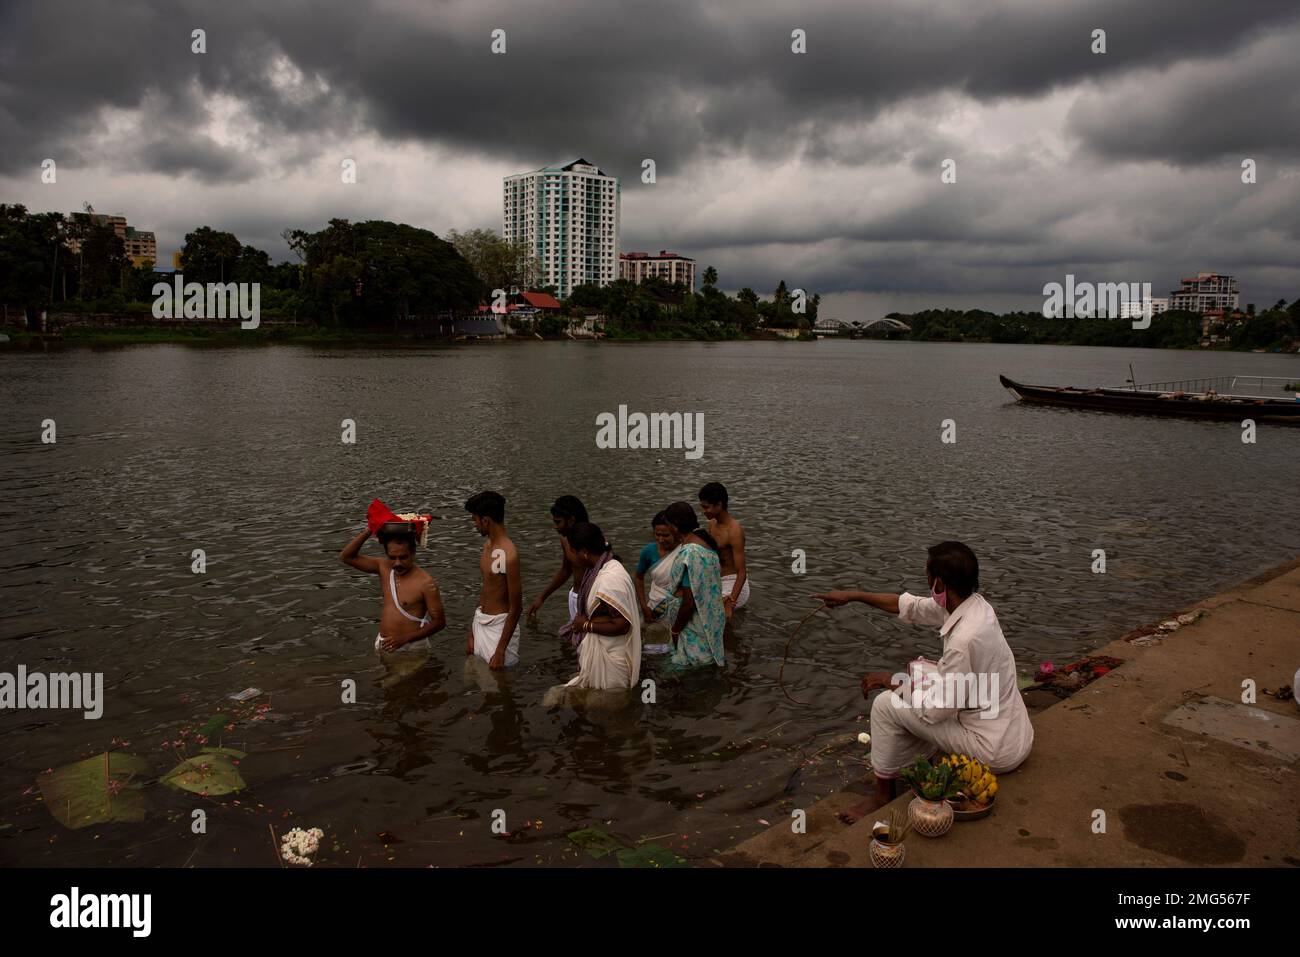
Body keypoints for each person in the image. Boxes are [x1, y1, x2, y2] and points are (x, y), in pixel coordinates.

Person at [814, 541, 1034, 823]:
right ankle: (921, 757)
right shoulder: (975, 607)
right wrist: (853, 595)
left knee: (885, 704)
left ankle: (883, 796)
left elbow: (934, 711)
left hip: (992, 750)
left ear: (939, 584)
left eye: (928, 578)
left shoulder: (963, 641)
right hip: (1014, 734)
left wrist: (891, 681)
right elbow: (909, 606)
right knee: (923, 674)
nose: (926, 584)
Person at [556, 522, 641, 691]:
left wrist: (585, 625)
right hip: (606, 651)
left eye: (574, 552)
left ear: (585, 552)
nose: (573, 558)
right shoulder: (605, 568)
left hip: (612, 658)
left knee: (609, 708)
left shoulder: (609, 580)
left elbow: (623, 625)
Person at [339, 521, 446, 655]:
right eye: (392, 557)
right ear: (386, 555)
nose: (397, 563)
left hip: (411, 647)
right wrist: (369, 530)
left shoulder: (426, 583)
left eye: (403, 557)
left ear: (413, 553)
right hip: (385, 643)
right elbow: (346, 557)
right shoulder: (383, 567)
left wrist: (404, 639)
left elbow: (439, 622)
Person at [659, 501, 726, 670]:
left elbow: (689, 602)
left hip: (694, 623)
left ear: (675, 526)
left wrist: (675, 630)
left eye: (668, 525)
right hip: (710, 619)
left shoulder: (691, 552)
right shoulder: (705, 544)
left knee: (688, 672)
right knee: (706, 666)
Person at [465, 491, 522, 669]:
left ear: (486, 520)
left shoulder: (509, 554)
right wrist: (473, 631)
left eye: (475, 519)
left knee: (499, 687)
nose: (475, 525)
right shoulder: (488, 546)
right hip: (482, 622)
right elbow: (486, 589)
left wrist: (500, 651)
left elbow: (516, 607)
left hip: (500, 629)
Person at [526, 496, 589, 627]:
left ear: (571, 520)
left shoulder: (591, 540)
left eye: (558, 522)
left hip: (590, 599)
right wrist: (542, 597)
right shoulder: (564, 540)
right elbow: (566, 570)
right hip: (574, 597)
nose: (556, 527)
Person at [699, 482, 748, 619]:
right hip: (717, 581)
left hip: (734, 584)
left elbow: (742, 573)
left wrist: (730, 603)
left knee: (710, 615)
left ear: (719, 505)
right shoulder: (712, 524)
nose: (703, 511)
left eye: (706, 507)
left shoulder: (734, 531)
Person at [634, 511, 684, 625]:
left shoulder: (686, 550)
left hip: (682, 609)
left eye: (666, 535)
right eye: (657, 534)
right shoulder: (648, 551)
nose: (661, 539)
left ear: (676, 533)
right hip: (655, 607)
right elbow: (638, 577)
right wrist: (643, 606)